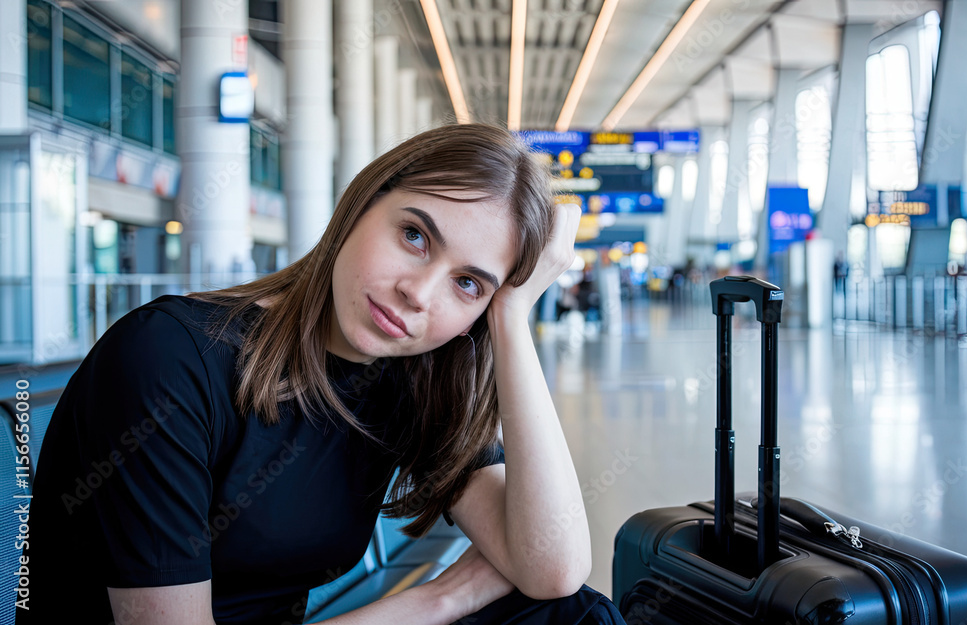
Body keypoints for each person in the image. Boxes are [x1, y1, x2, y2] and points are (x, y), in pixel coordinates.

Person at [23, 124, 626, 625]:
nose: (418, 292)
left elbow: (552, 567)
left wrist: (514, 317)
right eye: (414, 236)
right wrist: (442, 598)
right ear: (359, 206)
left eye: (467, 284)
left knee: (571, 614)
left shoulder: (404, 380)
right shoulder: (170, 356)